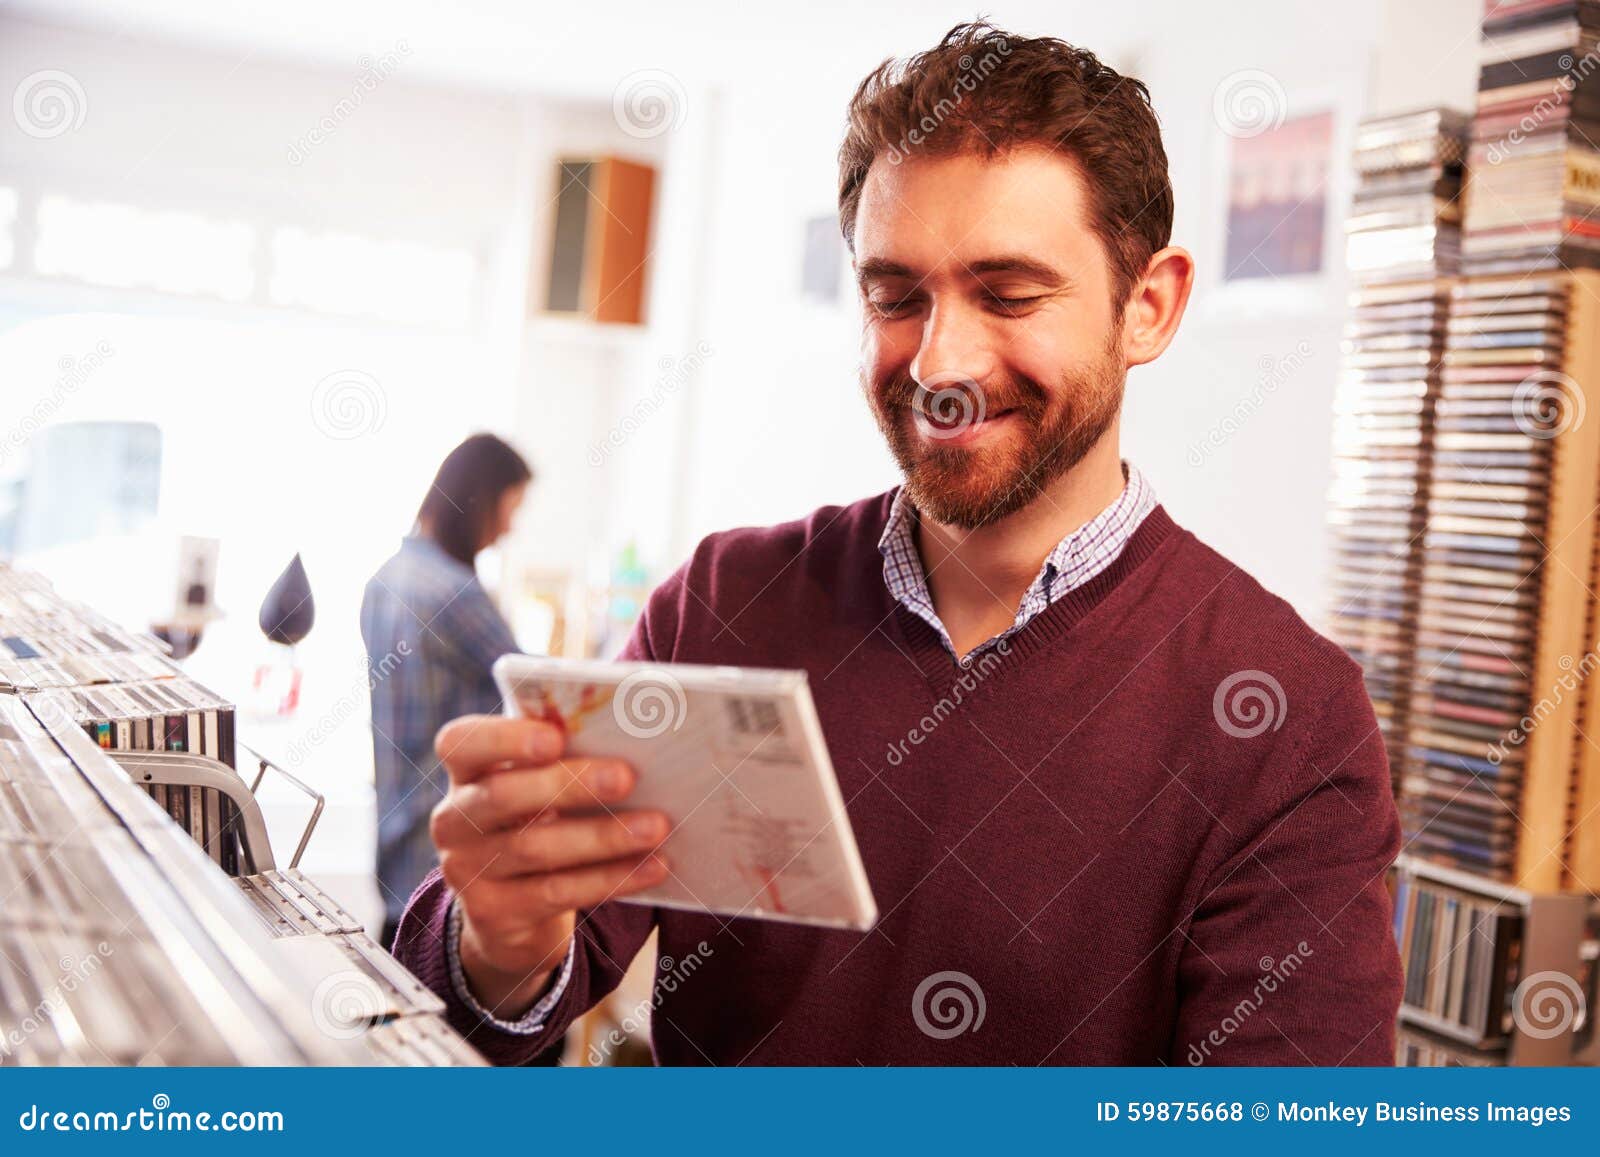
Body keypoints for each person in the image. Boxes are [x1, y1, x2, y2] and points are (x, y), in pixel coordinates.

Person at [394, 23, 1404, 1065]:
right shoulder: (726, 602)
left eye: (1009, 293)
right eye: (895, 296)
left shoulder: (1287, 714)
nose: (940, 361)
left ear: (1147, 306)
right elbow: (466, 997)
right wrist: (501, 940)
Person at [360, 433, 530, 951]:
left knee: (400, 1021)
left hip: (398, 852)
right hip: (451, 867)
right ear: (480, 498)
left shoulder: (385, 580)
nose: (508, 528)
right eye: (509, 507)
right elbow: (539, 691)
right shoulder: (454, 591)